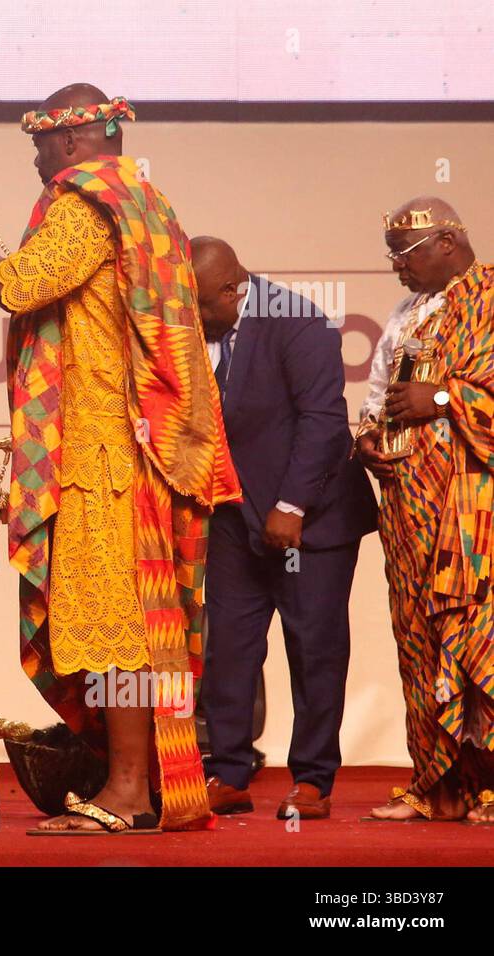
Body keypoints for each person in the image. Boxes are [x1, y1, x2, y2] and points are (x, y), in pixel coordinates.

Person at [0, 85, 239, 833]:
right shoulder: (152, 203)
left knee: (115, 626)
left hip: (100, 451)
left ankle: (125, 793)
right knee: (138, 624)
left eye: (42, 144)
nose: (38, 159)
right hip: (140, 447)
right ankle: (136, 787)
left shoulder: (87, 204)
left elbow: (19, 285)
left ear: (76, 140)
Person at [191, 236, 378, 820]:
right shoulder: (198, 327)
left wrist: (291, 506)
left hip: (312, 518)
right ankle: (226, 773)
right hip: (232, 515)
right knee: (228, 648)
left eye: (200, 306)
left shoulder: (299, 322)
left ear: (231, 288)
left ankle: (313, 780)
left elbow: (323, 421)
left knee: (315, 649)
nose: (191, 318)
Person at [356, 198, 494, 824]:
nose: (396, 267)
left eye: (403, 254)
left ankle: (490, 784)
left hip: (468, 510)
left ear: (447, 242)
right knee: (418, 635)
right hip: (407, 504)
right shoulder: (409, 311)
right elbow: (383, 386)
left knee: (475, 634)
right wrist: (367, 435)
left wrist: (439, 396)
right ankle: (438, 784)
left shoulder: (489, 298)